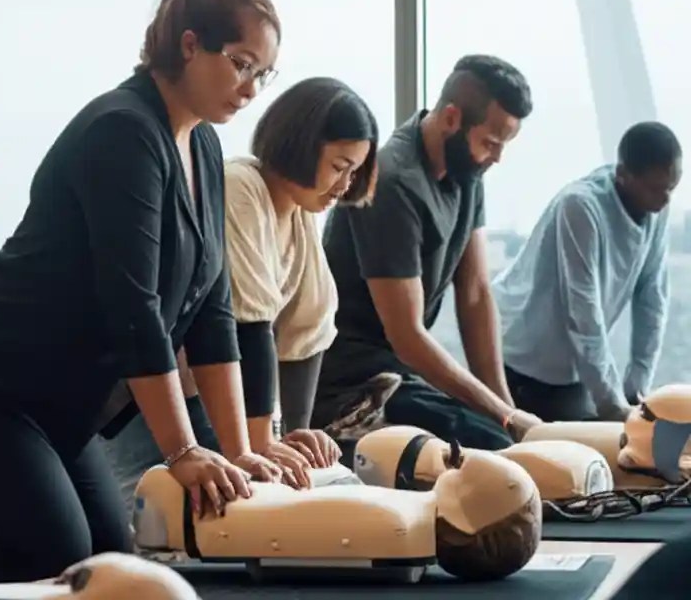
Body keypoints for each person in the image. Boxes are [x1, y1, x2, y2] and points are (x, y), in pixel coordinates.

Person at [0, 0, 285, 582]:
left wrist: (241, 453)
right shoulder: (124, 131)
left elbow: (213, 312)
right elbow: (135, 308)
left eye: (263, 74)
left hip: (53, 401)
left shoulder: (203, 147)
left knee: (110, 567)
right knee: (59, 562)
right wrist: (182, 451)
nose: (250, 89)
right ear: (188, 44)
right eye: (240, 64)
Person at [100, 77, 377, 506]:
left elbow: (306, 334)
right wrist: (262, 443)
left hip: (225, 409)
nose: (345, 184)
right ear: (303, 145)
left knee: (318, 489)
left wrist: (289, 438)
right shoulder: (241, 187)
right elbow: (248, 324)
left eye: (355, 170)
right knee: (235, 505)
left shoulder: (301, 213)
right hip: (164, 404)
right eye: (340, 166)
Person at [312, 55, 538, 451]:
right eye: (490, 143)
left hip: (402, 373)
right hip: (355, 384)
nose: (497, 158)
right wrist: (505, 419)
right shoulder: (393, 181)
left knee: (508, 436)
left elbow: (475, 294)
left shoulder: (467, 171)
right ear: (451, 118)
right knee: (495, 446)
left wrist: (507, 407)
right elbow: (407, 337)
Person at [494, 122, 680, 422]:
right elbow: (584, 316)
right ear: (623, 176)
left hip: (570, 367)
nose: (666, 199)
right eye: (656, 189)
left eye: (672, 187)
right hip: (520, 356)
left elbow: (652, 300)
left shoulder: (658, 207)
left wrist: (636, 391)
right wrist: (615, 409)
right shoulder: (580, 206)